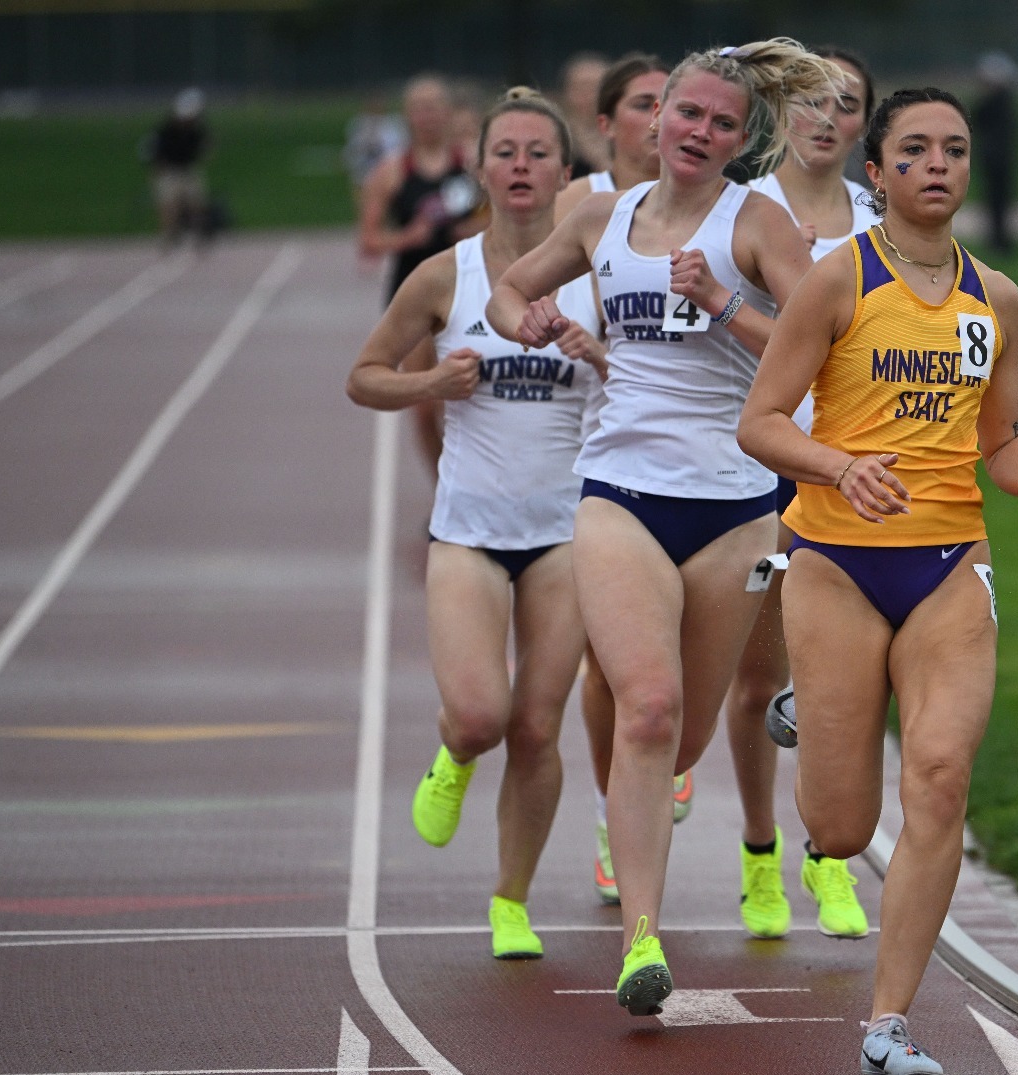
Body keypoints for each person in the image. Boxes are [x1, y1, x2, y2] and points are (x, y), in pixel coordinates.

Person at [737, 86, 1018, 1075]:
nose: (938, 164)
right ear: (879, 173)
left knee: (938, 777)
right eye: (916, 150)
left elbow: (1003, 437)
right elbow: (760, 422)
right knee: (842, 829)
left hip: (947, 562)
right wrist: (835, 464)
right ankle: (813, 698)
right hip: (835, 561)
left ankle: (887, 1023)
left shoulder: (997, 297)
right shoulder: (835, 281)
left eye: (955, 150)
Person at [489, 38, 843, 1017]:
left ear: (740, 141)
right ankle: (642, 939)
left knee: (677, 736)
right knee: (643, 706)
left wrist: (722, 302)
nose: (697, 133)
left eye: (722, 124)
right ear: (655, 118)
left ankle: (659, 784)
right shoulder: (603, 218)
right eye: (685, 113)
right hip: (617, 493)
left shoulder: (756, 223)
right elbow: (511, 285)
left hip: (734, 505)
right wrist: (519, 313)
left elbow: (821, 350)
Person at [346, 87, 600, 960]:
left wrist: (596, 356)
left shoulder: (601, 279)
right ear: (478, 166)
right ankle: (455, 752)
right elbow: (364, 376)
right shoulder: (443, 275)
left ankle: (510, 900)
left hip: (568, 533)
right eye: (507, 152)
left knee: (538, 725)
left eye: (540, 153)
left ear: (567, 172)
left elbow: (656, 391)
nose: (523, 167)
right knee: (484, 713)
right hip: (469, 531)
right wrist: (430, 385)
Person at [728, 45, 880, 940]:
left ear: (866, 123)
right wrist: (724, 307)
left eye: (848, 103)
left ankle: (827, 856)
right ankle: (758, 857)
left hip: (857, 463)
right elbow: (785, 347)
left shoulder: (878, 216)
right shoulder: (744, 210)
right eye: (812, 99)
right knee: (758, 683)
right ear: (781, 107)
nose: (827, 116)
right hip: (762, 459)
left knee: (843, 677)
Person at [546, 51, 692, 910]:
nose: (659, 119)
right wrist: (591, 345)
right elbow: (535, 304)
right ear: (611, 121)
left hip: (699, 462)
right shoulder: (586, 206)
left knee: (673, 690)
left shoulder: (721, 205)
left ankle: (661, 761)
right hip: (601, 442)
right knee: (609, 671)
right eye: (644, 104)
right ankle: (613, 811)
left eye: (671, 104)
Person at [358, 74, 489, 484]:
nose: (429, 116)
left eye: (436, 106)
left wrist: (476, 228)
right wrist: (407, 236)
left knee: (479, 395)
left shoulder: (473, 162)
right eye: (420, 108)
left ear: (450, 112)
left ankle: (481, 482)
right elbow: (369, 240)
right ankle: (444, 490)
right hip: (413, 292)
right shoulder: (392, 171)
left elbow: (504, 211)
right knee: (424, 405)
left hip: (469, 287)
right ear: (408, 116)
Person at [147, 88, 210, 248]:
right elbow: (155, 152)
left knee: (197, 203)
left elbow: (203, 149)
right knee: (169, 206)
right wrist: (158, 170)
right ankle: (169, 236)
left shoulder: (195, 130)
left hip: (188, 169)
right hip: (169, 171)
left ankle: (199, 235)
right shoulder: (166, 130)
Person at [971, 53, 1018, 256]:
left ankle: (998, 240)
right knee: (999, 200)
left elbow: (975, 114)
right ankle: (1000, 239)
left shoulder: (995, 101)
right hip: (1001, 157)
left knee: (996, 200)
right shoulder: (1005, 100)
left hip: (995, 158)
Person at [560, 52, 610, 179]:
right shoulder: (556, 137)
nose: (588, 95)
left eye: (594, 87)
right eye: (580, 87)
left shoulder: (621, 138)